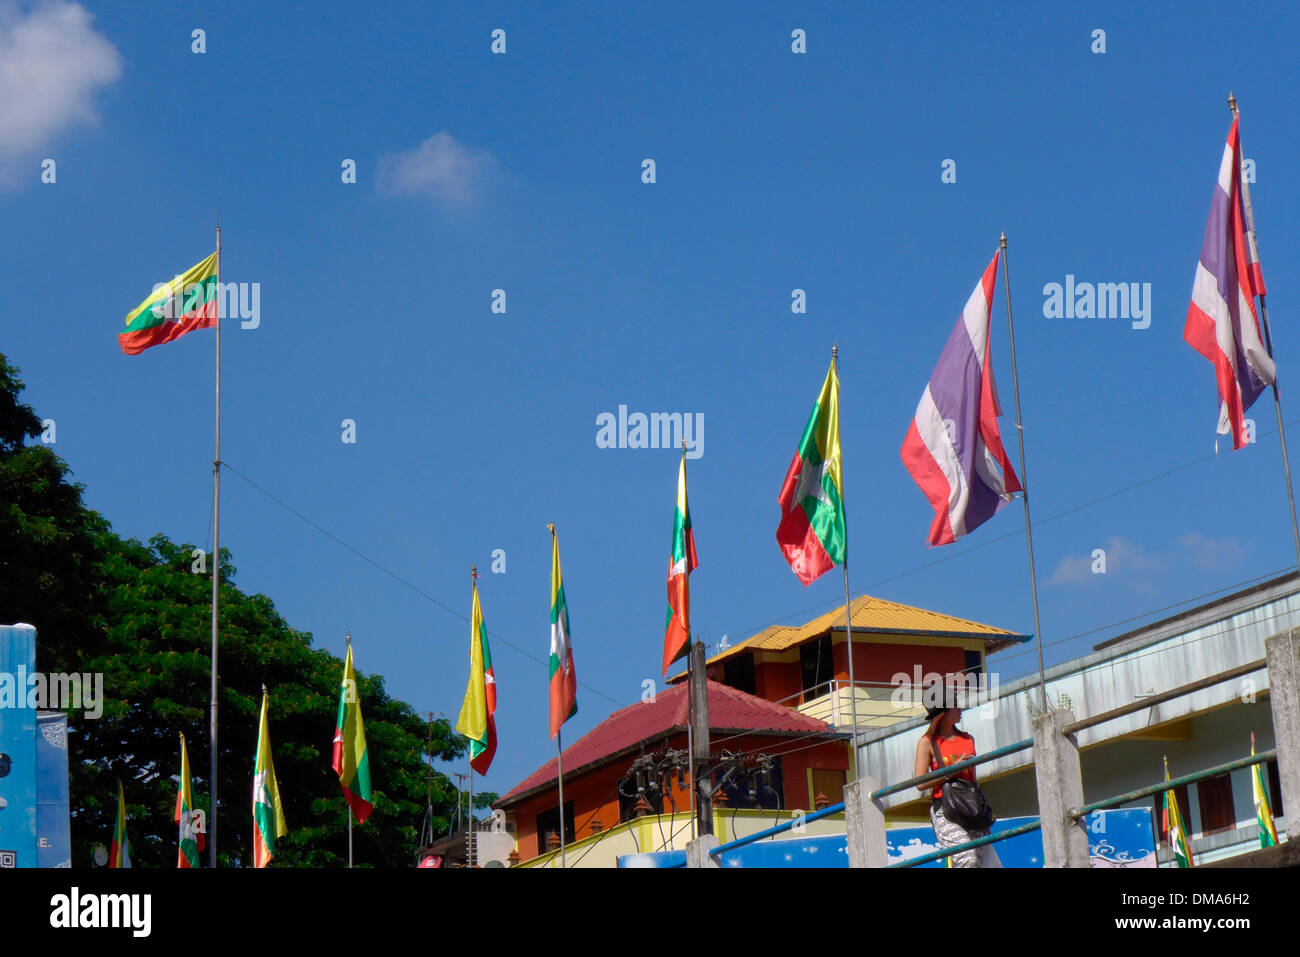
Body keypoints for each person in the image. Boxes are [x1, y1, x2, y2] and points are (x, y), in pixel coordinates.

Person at [915, 703, 1001, 868]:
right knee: (968, 859)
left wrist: (981, 812)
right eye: (955, 706)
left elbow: (973, 779)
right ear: (942, 713)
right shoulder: (927, 742)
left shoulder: (967, 739)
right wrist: (952, 771)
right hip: (944, 808)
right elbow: (920, 783)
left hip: (970, 807)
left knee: (982, 862)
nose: (960, 709)